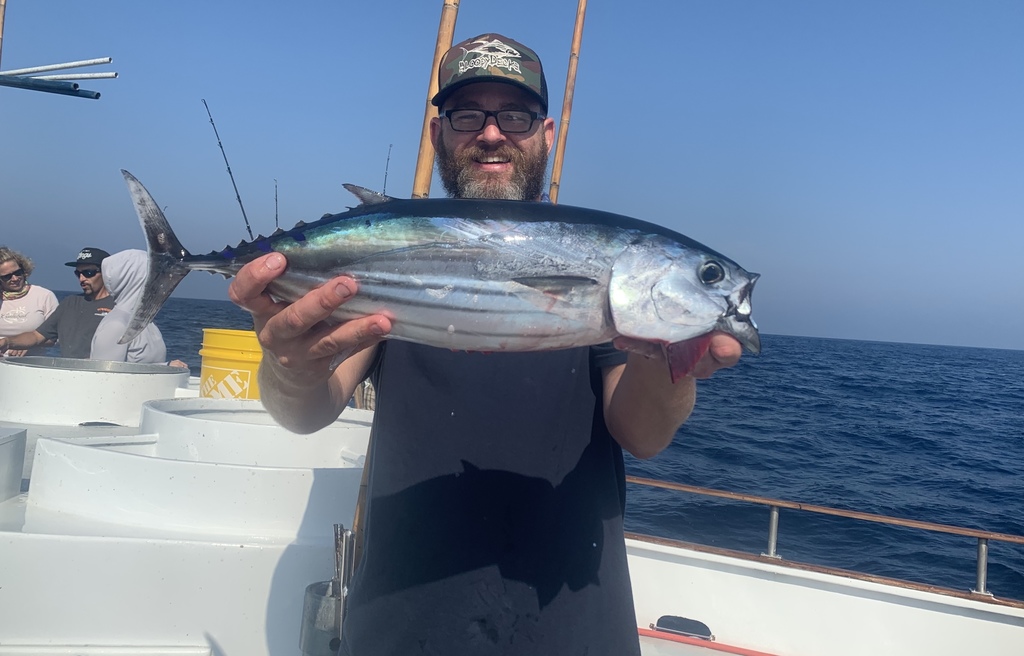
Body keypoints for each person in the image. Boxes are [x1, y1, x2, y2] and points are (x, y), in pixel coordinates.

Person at [228, 34, 744, 655]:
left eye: (516, 116)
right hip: (402, 629)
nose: (492, 134)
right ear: (437, 134)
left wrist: (671, 364)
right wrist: (289, 370)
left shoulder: (604, 263)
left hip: (573, 627)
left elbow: (643, 434)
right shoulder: (391, 251)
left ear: (546, 132)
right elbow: (305, 412)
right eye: (467, 115)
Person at [0, 247, 114, 359]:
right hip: (66, 373)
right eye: (78, 274)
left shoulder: (120, 306)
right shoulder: (69, 303)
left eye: (88, 273)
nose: (82, 279)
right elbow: (37, 336)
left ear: (105, 272)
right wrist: (8, 342)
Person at [90, 249, 187, 368]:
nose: (163, 281)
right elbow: (105, 377)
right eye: (155, 276)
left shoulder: (145, 322)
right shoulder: (116, 325)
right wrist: (165, 367)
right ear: (138, 280)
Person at [0, 247, 59, 357]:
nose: (14, 278)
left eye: (18, 273)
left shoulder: (44, 296)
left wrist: (27, 344)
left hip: (31, 364)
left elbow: (56, 337)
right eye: (7, 276)